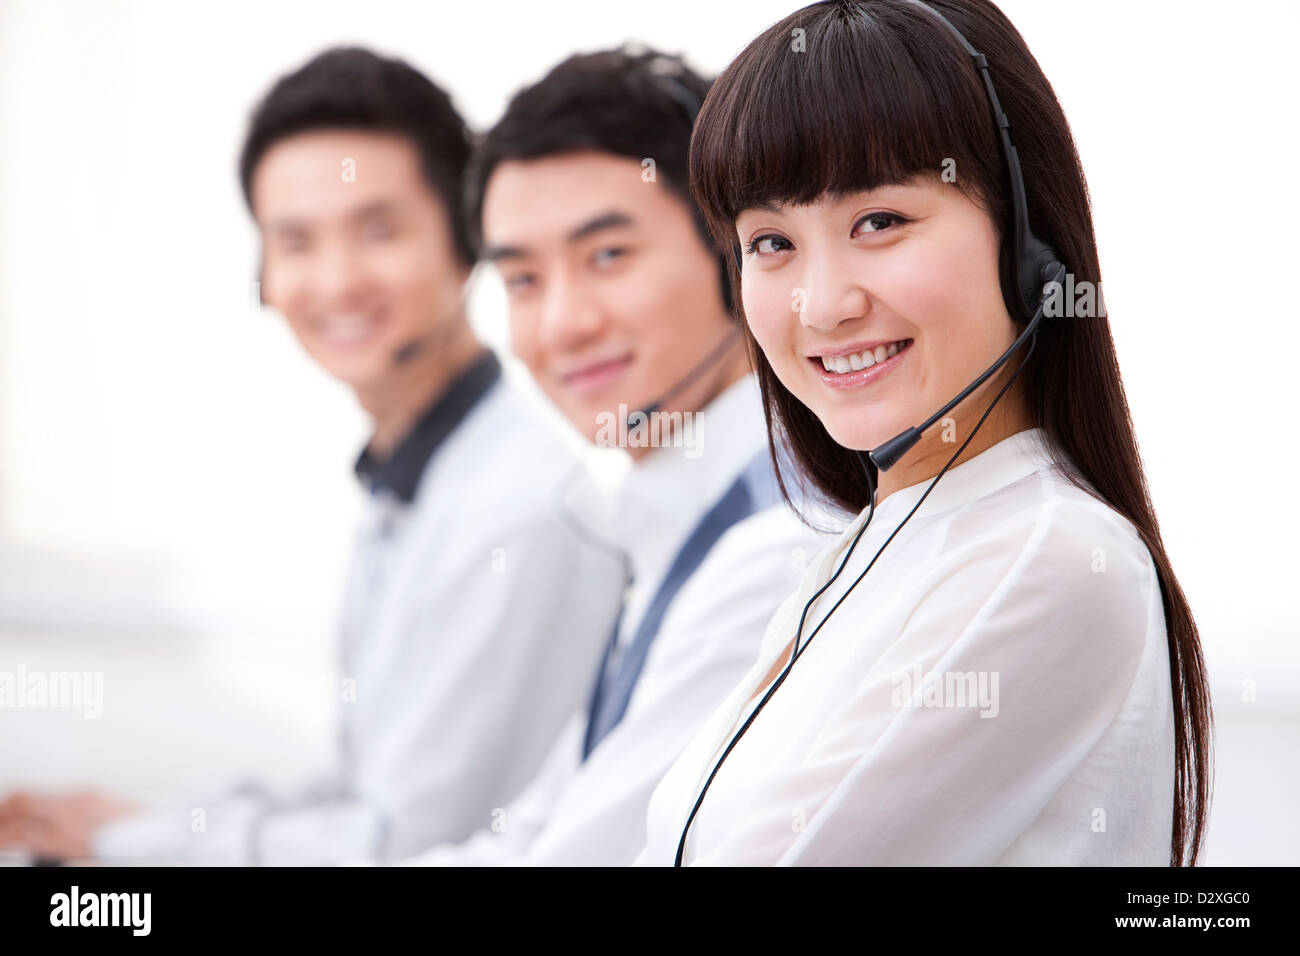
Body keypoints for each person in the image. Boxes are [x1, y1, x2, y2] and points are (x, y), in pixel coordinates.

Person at [0, 47, 625, 865]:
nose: (335, 281)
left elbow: (398, 843)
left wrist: (124, 843)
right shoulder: (415, 473)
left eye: (377, 230)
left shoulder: (516, 509)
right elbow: (364, 789)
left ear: (468, 240)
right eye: (295, 241)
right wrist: (147, 822)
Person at [636, 0, 1213, 866]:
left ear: (1026, 239)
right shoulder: (865, 549)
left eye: (880, 222)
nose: (823, 304)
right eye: (770, 242)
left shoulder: (1048, 558)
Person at [392, 46, 826, 866]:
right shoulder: (670, 515)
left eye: (607, 257)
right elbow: (537, 834)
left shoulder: (781, 542)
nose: (562, 324)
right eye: (522, 280)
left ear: (734, 255)